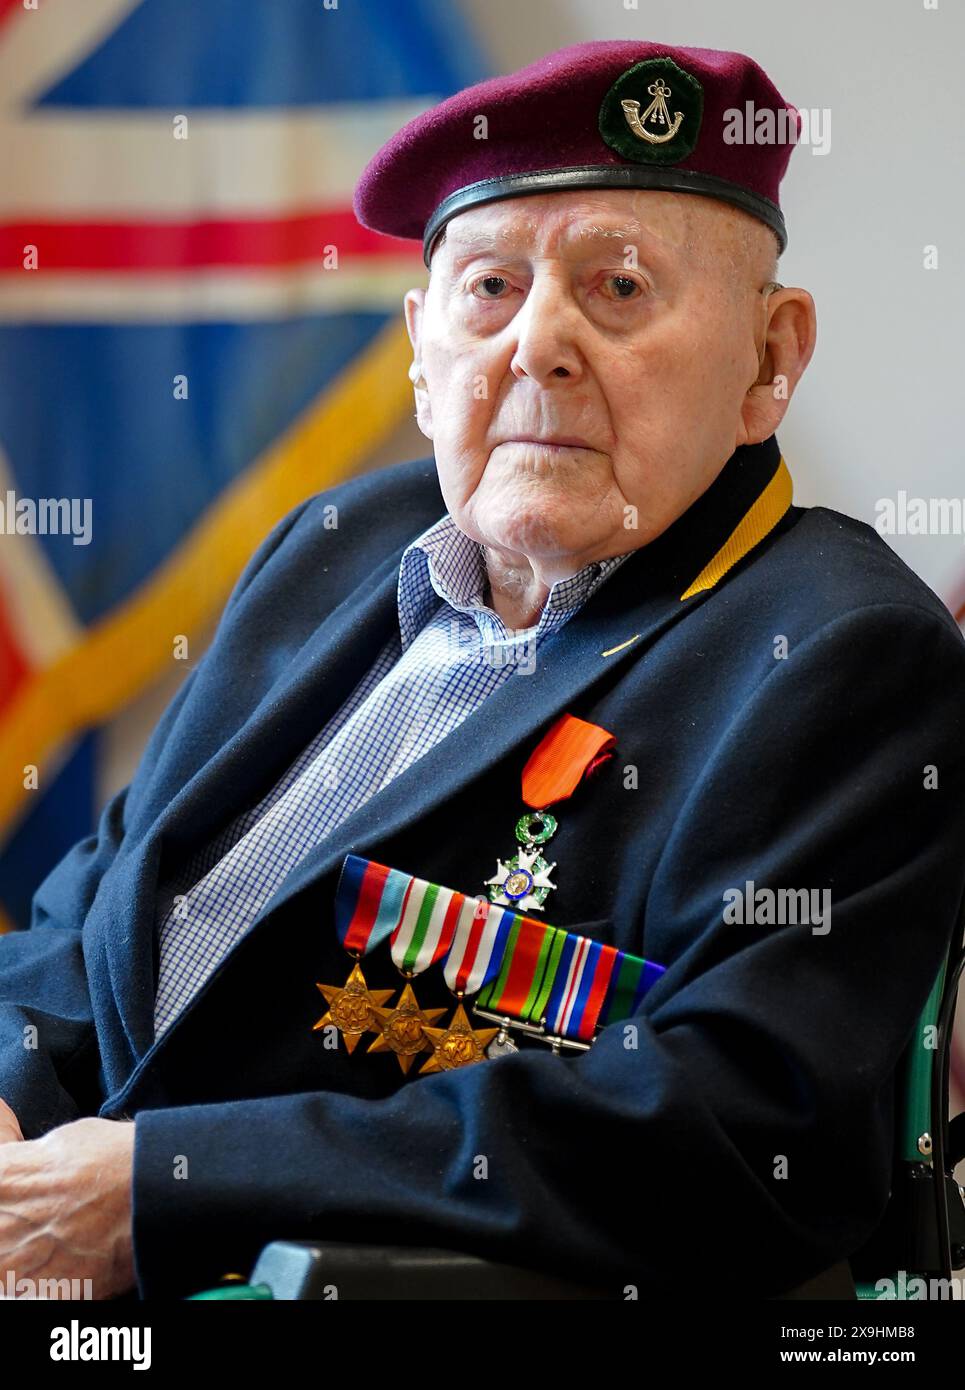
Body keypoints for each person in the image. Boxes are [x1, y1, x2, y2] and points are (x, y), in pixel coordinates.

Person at [1, 39, 964, 1301]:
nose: (536, 346)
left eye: (618, 288)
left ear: (768, 360)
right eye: (489, 289)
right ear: (418, 346)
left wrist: (155, 1193)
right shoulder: (331, 548)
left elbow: (738, 1122)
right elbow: (99, 900)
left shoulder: (839, 659)